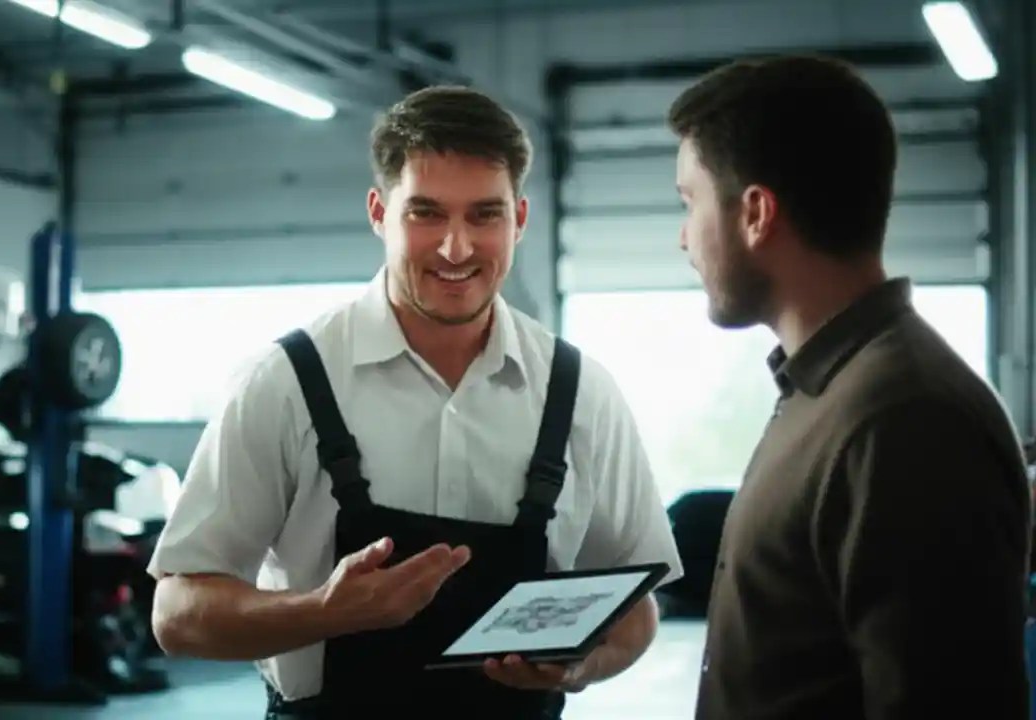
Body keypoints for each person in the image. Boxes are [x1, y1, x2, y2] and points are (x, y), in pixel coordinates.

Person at [148, 85, 683, 719]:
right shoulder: (286, 381)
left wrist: (583, 665)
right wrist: (324, 612)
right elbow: (177, 614)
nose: (456, 248)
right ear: (379, 212)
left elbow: (637, 604)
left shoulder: (580, 393)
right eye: (425, 213)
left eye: (484, 215)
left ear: (520, 219)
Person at [668, 54, 1032, 719]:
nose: (682, 238)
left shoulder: (906, 419)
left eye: (689, 201)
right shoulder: (828, 392)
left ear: (756, 213)